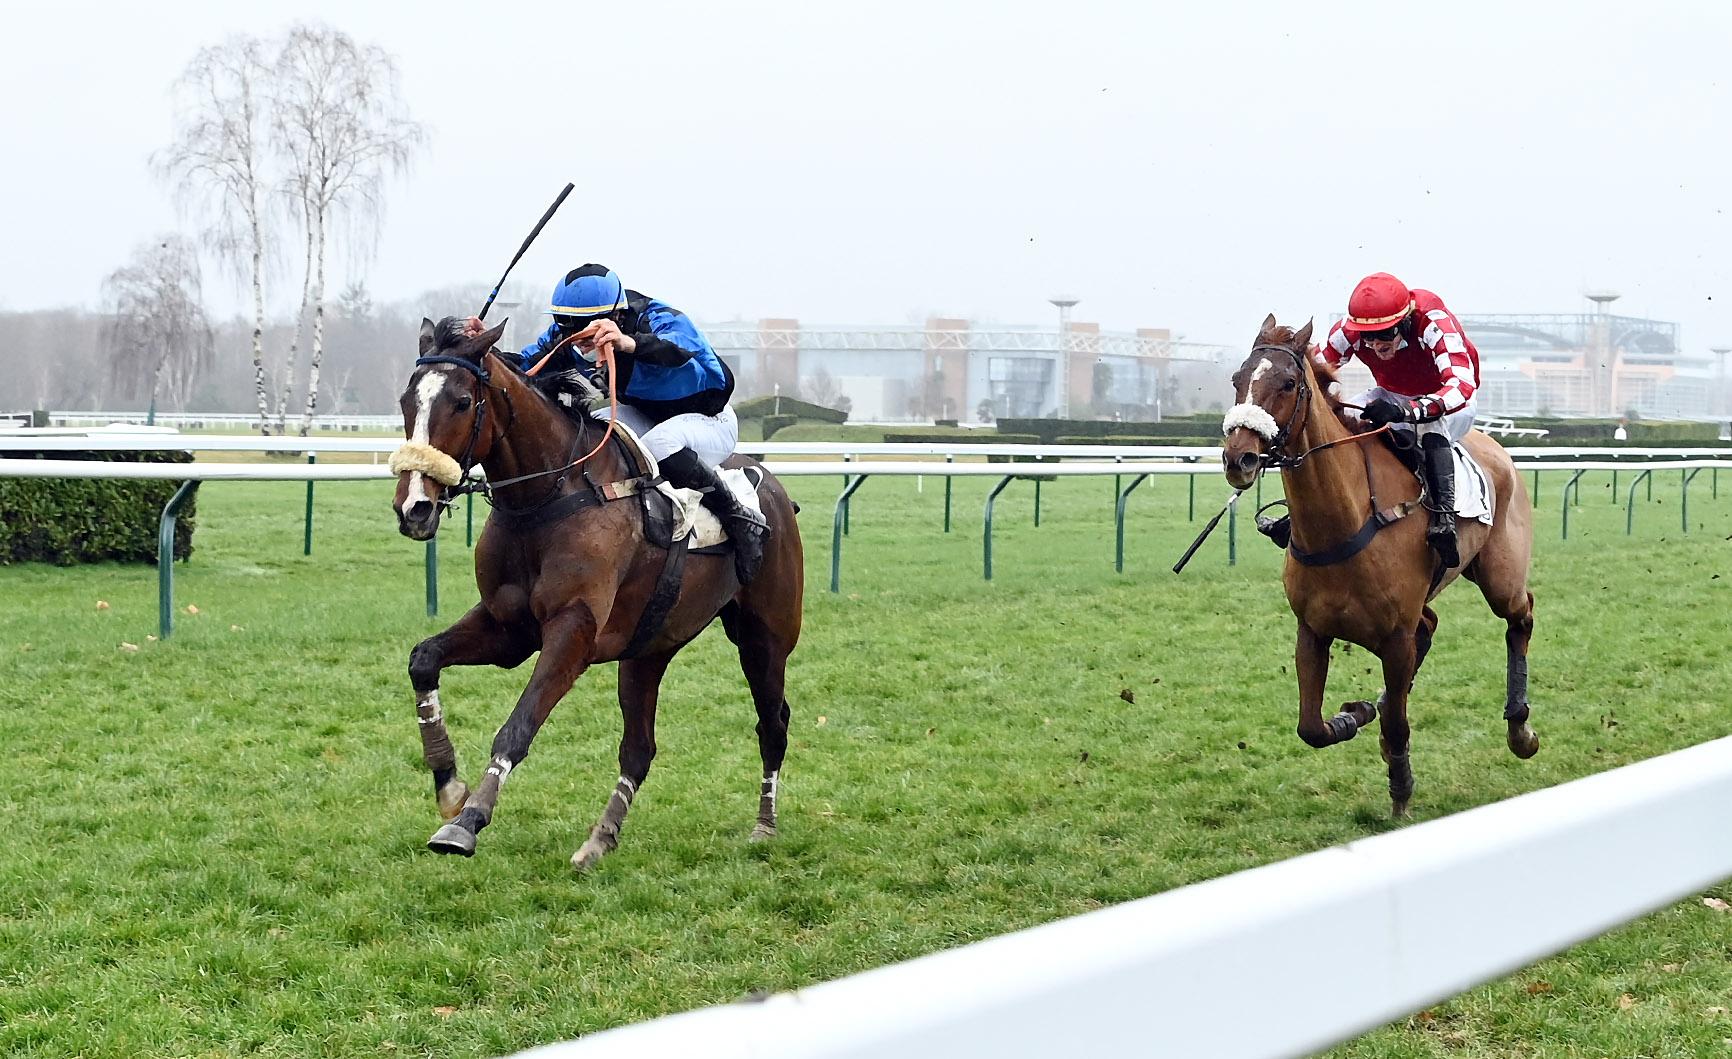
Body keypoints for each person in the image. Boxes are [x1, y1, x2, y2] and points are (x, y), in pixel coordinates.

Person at [479, 263, 768, 583]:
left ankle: (739, 518)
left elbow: (679, 349)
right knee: (593, 429)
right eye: (566, 325)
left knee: (661, 444)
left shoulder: (659, 317)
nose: (576, 338)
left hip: (710, 419)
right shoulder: (567, 337)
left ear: (616, 315)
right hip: (648, 416)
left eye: (583, 326)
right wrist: (480, 351)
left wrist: (629, 344)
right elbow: (523, 367)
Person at [1257, 272, 1481, 568]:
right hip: (1391, 393)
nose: (1375, 344)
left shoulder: (1434, 323)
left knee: (1428, 426)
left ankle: (1443, 519)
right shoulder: (1350, 331)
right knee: (1337, 422)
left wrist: (1407, 411)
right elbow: (1314, 373)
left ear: (1406, 320)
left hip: (1451, 402)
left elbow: (1461, 386)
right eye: (1369, 337)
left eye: (1385, 334)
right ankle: (1301, 515)